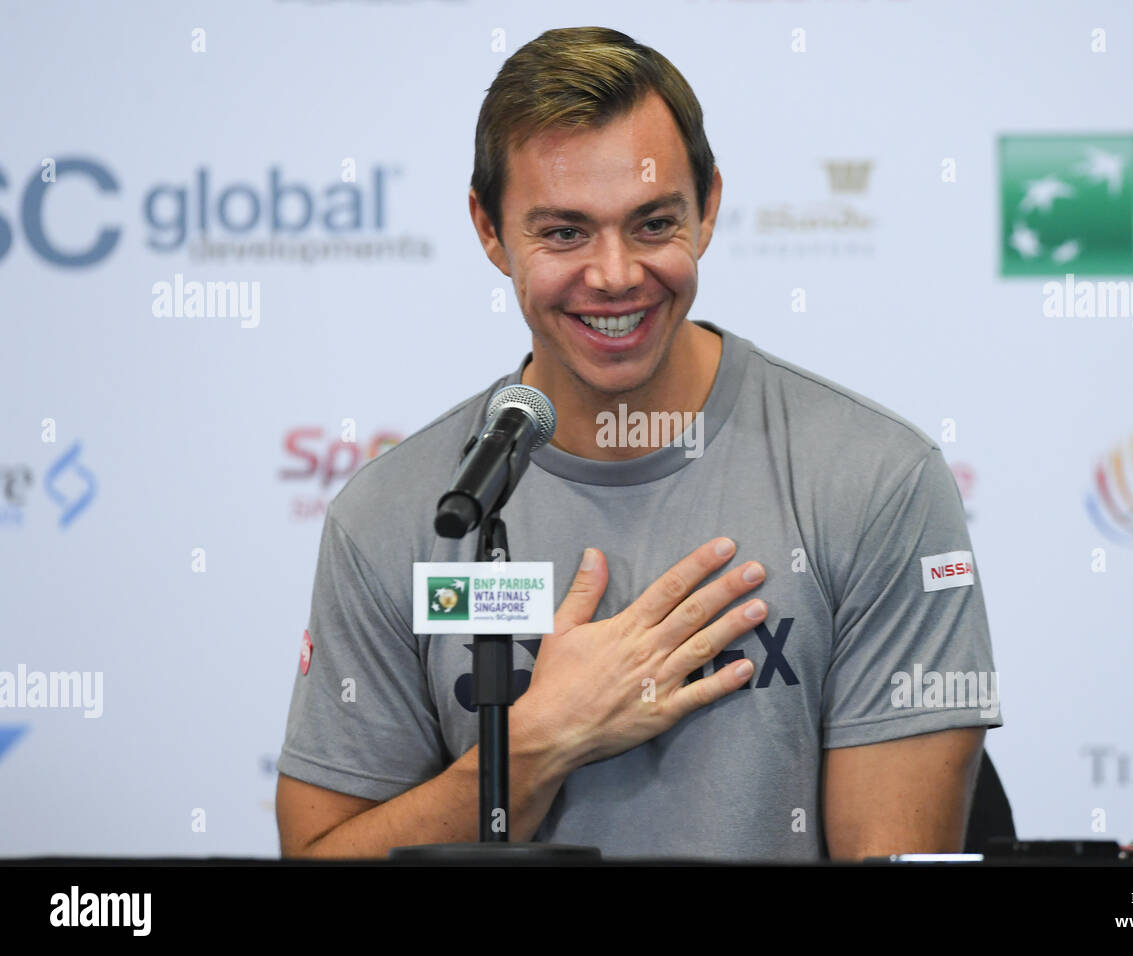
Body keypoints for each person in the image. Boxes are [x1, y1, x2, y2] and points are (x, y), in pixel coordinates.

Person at [275, 26, 1002, 862]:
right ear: (488, 229)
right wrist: (537, 747)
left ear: (710, 208)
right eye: (564, 233)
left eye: (653, 223)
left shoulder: (874, 481)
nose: (616, 275)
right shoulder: (402, 515)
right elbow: (320, 858)